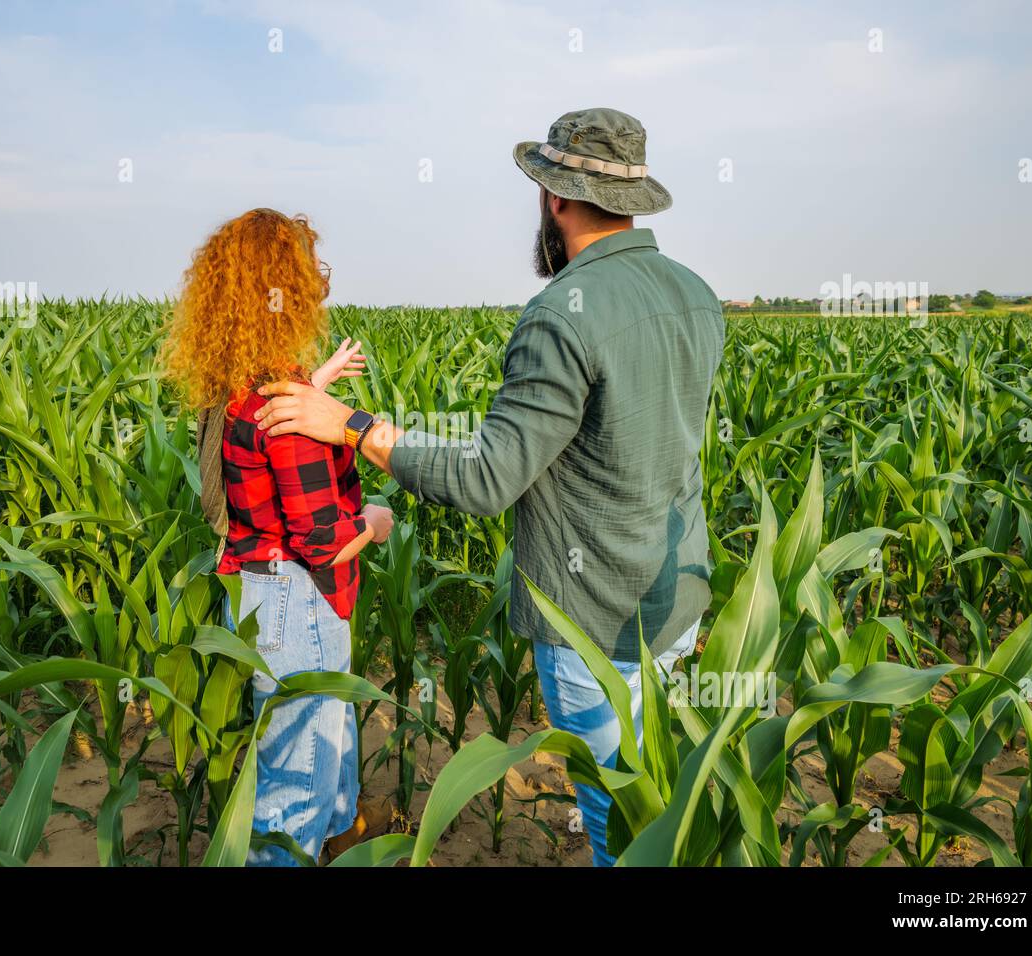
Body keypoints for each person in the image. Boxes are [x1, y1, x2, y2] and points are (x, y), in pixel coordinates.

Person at [251, 109, 725, 866]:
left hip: (594, 624)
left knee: (619, 827)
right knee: (658, 811)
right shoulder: (698, 296)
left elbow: (485, 478)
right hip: (676, 607)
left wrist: (353, 425)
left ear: (554, 200)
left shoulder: (560, 316)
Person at [161, 208, 394, 866]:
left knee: (327, 734)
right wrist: (378, 523)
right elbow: (326, 543)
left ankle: (342, 835)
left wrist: (312, 385)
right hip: (303, 600)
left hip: (263, 589)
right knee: (297, 778)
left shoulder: (241, 387)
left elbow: (261, 439)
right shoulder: (290, 412)